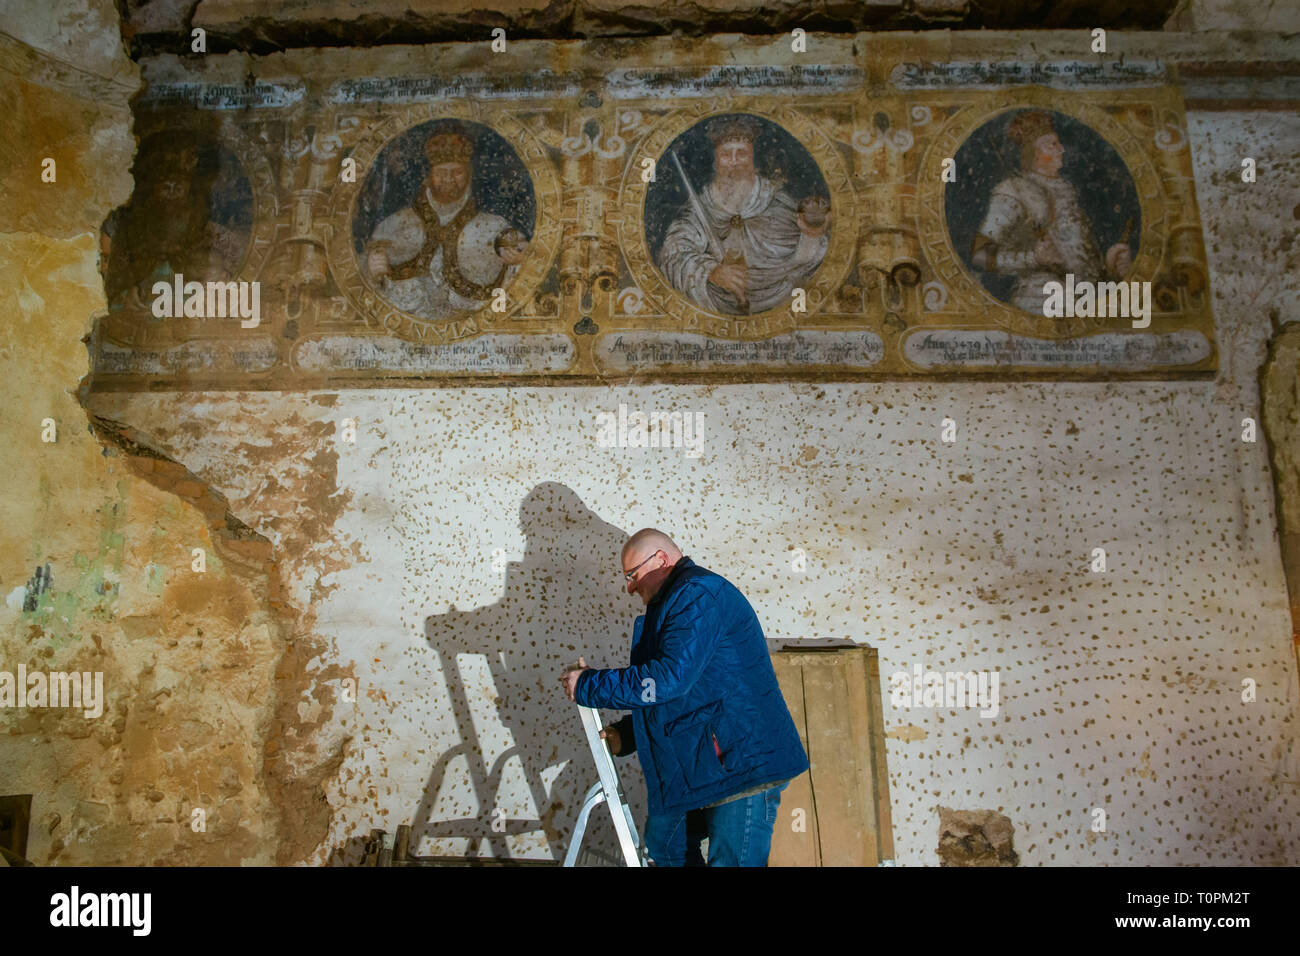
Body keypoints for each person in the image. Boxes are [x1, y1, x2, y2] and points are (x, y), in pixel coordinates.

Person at [559, 528, 809, 866]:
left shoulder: (697, 596)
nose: (630, 586)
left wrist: (590, 685)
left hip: (741, 763)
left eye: (633, 575)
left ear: (661, 559)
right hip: (709, 762)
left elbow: (667, 681)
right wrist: (628, 736)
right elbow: (677, 697)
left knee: (731, 860)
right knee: (664, 844)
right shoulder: (676, 603)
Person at [657, 116, 830, 315]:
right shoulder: (699, 208)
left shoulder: (776, 201)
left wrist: (810, 235)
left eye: (741, 154)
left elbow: (807, 260)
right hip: (717, 302)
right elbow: (674, 254)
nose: (733, 162)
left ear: (752, 159)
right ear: (716, 160)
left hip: (780, 296)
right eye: (726, 154)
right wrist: (712, 272)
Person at [970, 109, 1132, 315]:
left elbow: (1077, 256)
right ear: (1033, 152)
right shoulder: (1011, 191)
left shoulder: (1067, 190)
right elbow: (980, 256)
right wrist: (1034, 258)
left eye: (1059, 143)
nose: (1061, 149)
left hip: (1082, 301)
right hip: (1039, 300)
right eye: (1052, 145)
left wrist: (1110, 265)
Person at [363, 122, 528, 319]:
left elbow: (524, 264)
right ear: (427, 176)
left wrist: (520, 260)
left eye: (457, 172)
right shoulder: (392, 226)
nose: (449, 179)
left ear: (469, 175)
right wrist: (370, 271)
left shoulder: (496, 227)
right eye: (441, 173)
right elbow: (365, 289)